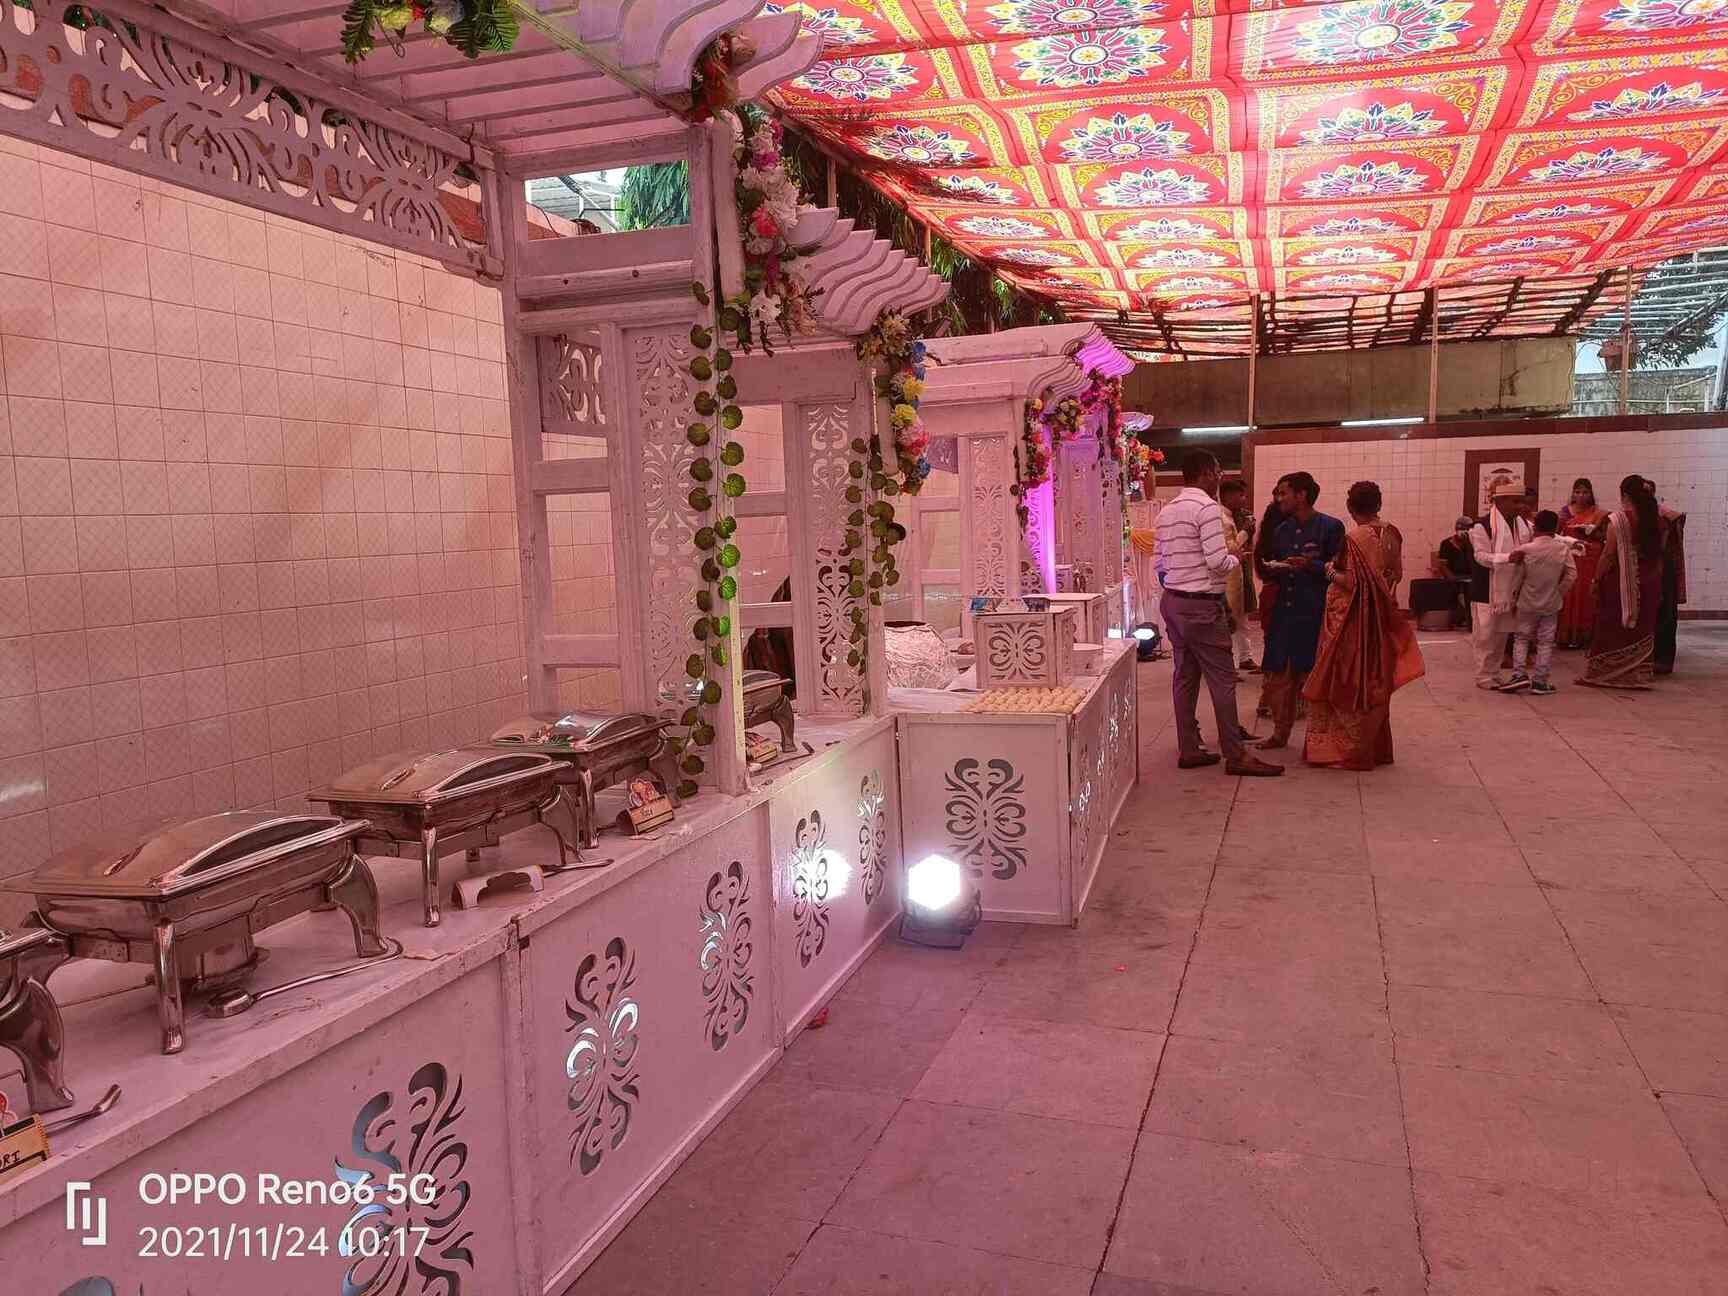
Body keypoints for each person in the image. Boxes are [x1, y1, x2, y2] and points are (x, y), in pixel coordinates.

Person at [1154, 451, 1282, 777]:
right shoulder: (1207, 508)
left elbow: (1159, 565)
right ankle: (1235, 755)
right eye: (1218, 472)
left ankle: (1189, 748)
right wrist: (1237, 558)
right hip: (1201, 606)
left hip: (1173, 603)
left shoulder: (1166, 511)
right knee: (1223, 680)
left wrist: (1180, 584)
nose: (1219, 479)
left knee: (1184, 678)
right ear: (1207, 473)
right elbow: (1217, 561)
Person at [1302, 481, 1424, 769]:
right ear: (1378, 504)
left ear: (1350, 506)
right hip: (1382, 619)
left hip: (1351, 621)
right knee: (1375, 682)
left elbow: (1352, 582)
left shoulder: (1354, 538)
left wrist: (1328, 571)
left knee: (1345, 683)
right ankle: (1375, 748)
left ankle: (1346, 750)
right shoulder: (1393, 533)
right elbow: (1395, 574)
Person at [1257, 471, 1344, 749]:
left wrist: (1311, 566)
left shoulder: (1331, 527)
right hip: (1285, 612)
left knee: (1317, 676)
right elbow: (1273, 564)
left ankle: (1323, 739)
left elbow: (1340, 571)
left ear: (1301, 495)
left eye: (1284, 493)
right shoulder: (1281, 530)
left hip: (1316, 612)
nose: (1279, 498)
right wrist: (1274, 569)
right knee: (1280, 675)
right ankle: (1279, 734)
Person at [1580, 475, 1664, 690]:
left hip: (1621, 581)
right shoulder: (1657, 519)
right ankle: (1638, 675)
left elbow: (1609, 555)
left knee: (1612, 623)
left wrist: (1596, 579)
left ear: (1624, 495)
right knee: (1642, 624)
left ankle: (1608, 675)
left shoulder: (1618, 520)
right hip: (1650, 581)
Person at [1502, 510, 1576, 696]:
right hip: (1551, 602)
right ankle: (1540, 681)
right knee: (1546, 641)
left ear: (1534, 527)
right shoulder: (1563, 549)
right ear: (1556, 528)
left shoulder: (1525, 549)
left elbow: (1517, 577)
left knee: (1521, 638)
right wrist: (1558, 592)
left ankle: (1519, 675)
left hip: (1526, 601)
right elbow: (1571, 575)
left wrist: (1512, 600)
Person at [1466, 487, 1532, 689]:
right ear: (1500, 501)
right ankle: (1483, 677)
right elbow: (1481, 556)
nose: (1521, 506)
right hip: (1486, 589)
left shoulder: (1524, 525)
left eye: (1522, 501)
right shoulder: (1481, 526)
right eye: (1516, 502)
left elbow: (1543, 539)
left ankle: (1494, 674)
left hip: (1510, 590)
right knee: (1485, 636)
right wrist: (1507, 558)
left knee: (1502, 634)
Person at [1556, 478, 1608, 649]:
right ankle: (1567, 636)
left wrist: (1590, 532)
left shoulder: (1599, 514)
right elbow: (1556, 535)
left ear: (1591, 494)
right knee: (1569, 593)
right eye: (1577, 492)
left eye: (1585, 492)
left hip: (1590, 559)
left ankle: (1586, 637)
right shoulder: (1565, 513)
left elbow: (1604, 537)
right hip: (1571, 557)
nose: (1581, 495)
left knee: (1586, 594)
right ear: (1572, 493)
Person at [1644, 479, 1688, 675]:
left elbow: (1668, 544)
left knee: (1666, 614)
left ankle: (1663, 660)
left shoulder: (1667, 516)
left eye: (1648, 492)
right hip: (1648, 568)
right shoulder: (1638, 515)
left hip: (1664, 569)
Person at [1218, 480, 1255, 672]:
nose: (1244, 499)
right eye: (1240, 495)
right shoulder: (1222, 518)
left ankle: (1245, 657)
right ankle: (1228, 666)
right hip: (1227, 577)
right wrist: (1246, 531)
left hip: (1238, 573)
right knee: (1229, 621)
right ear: (1228, 496)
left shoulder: (1233, 516)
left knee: (1241, 618)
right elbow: (1230, 548)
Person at [1433, 517, 1475, 628]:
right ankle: (1455, 618)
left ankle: (1470, 620)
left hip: (1469, 577)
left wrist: (1469, 545)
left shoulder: (1473, 544)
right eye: (1461, 529)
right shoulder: (1446, 544)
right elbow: (1443, 565)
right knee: (1451, 591)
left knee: (1471, 591)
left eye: (1467, 529)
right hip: (1453, 576)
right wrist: (1452, 578)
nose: (1464, 532)